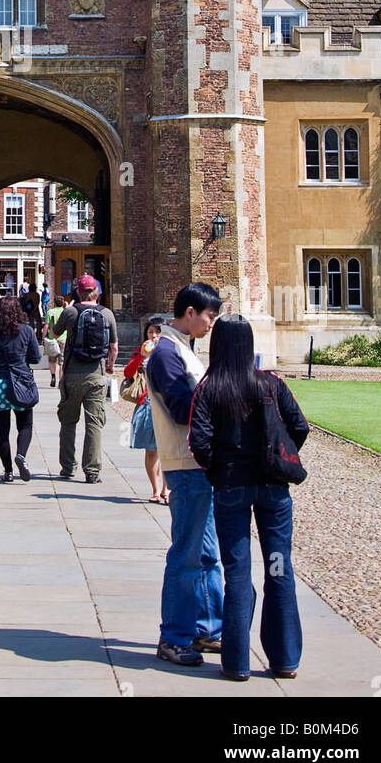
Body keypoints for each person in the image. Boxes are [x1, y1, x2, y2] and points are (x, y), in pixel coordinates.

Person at [189, 314, 309, 682]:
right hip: (273, 489)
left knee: (237, 573)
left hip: (231, 489)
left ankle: (237, 663)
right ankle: (285, 659)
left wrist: (218, 471)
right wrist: (277, 457)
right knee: (278, 567)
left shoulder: (209, 389)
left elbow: (200, 442)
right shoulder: (271, 384)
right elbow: (299, 426)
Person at [145, 282, 223, 665]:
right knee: (187, 554)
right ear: (189, 313)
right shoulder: (165, 353)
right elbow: (182, 407)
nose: (212, 324)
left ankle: (208, 628)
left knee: (207, 553)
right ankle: (174, 636)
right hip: (185, 463)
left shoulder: (182, 349)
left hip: (200, 463)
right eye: (209, 316)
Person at [53, 274, 118, 483]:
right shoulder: (107, 314)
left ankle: (67, 467)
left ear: (78, 292)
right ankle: (92, 471)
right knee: (94, 423)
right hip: (96, 375)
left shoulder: (70, 312)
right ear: (97, 292)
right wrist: (109, 365)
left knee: (68, 422)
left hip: (71, 373)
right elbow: (114, 347)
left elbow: (55, 334)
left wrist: (69, 309)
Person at [0, 295, 41, 481]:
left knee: (2, 428)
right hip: (21, 380)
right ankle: (21, 456)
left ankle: (7, 471)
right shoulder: (27, 331)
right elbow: (36, 358)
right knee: (25, 424)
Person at [125, 316, 168, 503]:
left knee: (167, 450)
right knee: (151, 450)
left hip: (166, 405)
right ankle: (155, 489)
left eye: (157, 332)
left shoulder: (169, 353)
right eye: (151, 332)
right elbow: (127, 374)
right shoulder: (141, 352)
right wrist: (141, 356)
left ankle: (167, 490)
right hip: (148, 403)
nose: (154, 335)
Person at [42, 293, 66, 388]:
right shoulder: (65, 312)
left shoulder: (50, 312)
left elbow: (46, 325)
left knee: (52, 360)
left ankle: (53, 377)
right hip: (63, 338)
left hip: (52, 338)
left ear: (55, 303)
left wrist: (43, 337)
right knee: (62, 362)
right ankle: (61, 381)